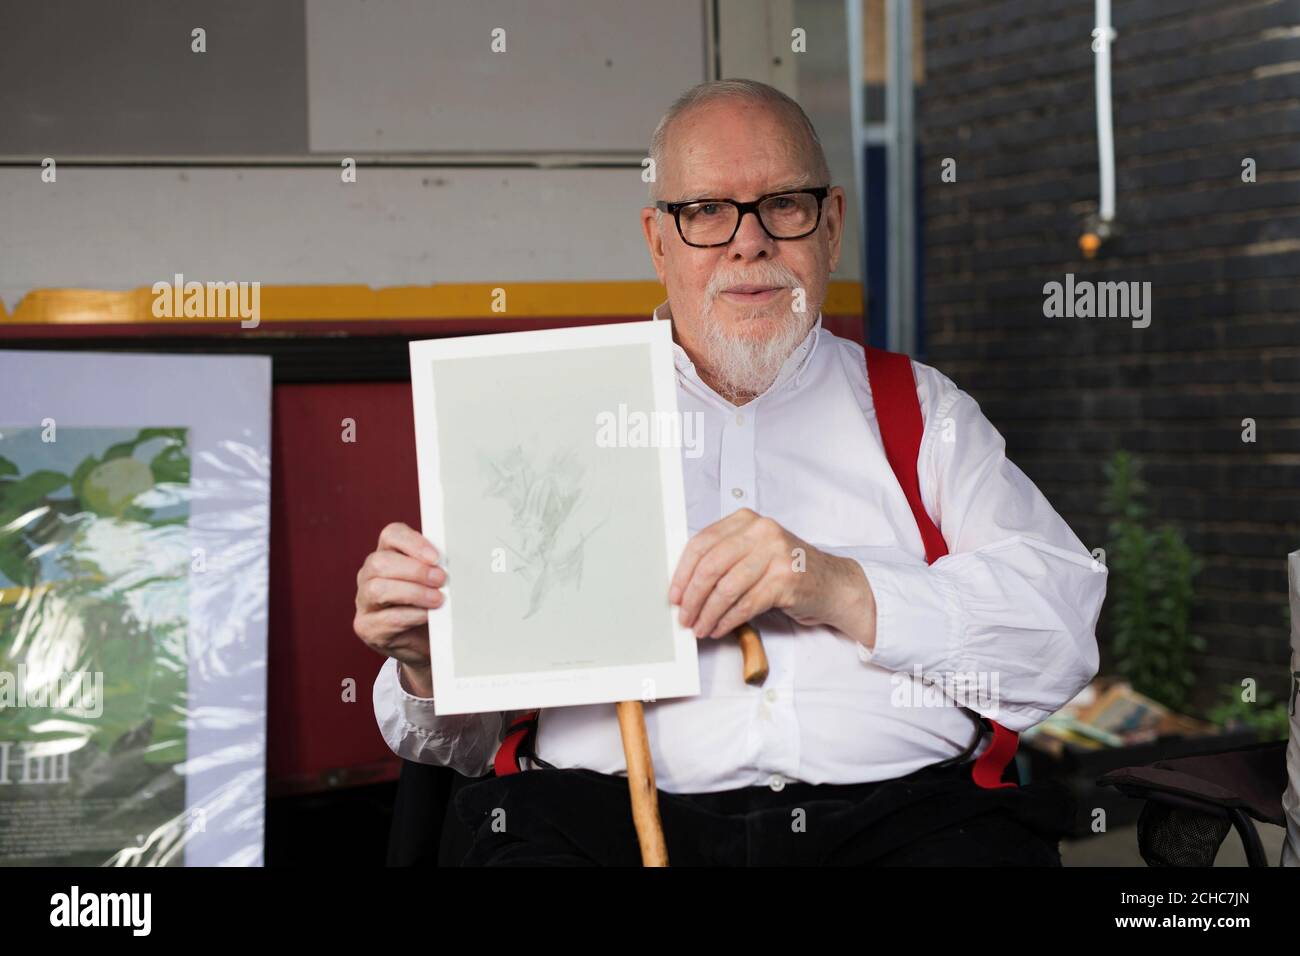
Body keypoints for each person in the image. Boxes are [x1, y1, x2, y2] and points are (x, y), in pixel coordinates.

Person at [355, 79, 1106, 866]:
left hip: (910, 825)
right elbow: (462, 746)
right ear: (658, 240)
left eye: (784, 203)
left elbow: (1058, 642)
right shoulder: (551, 411)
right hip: (594, 828)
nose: (749, 243)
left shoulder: (922, 409)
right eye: (708, 210)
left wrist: (839, 585)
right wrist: (425, 660)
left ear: (833, 226)